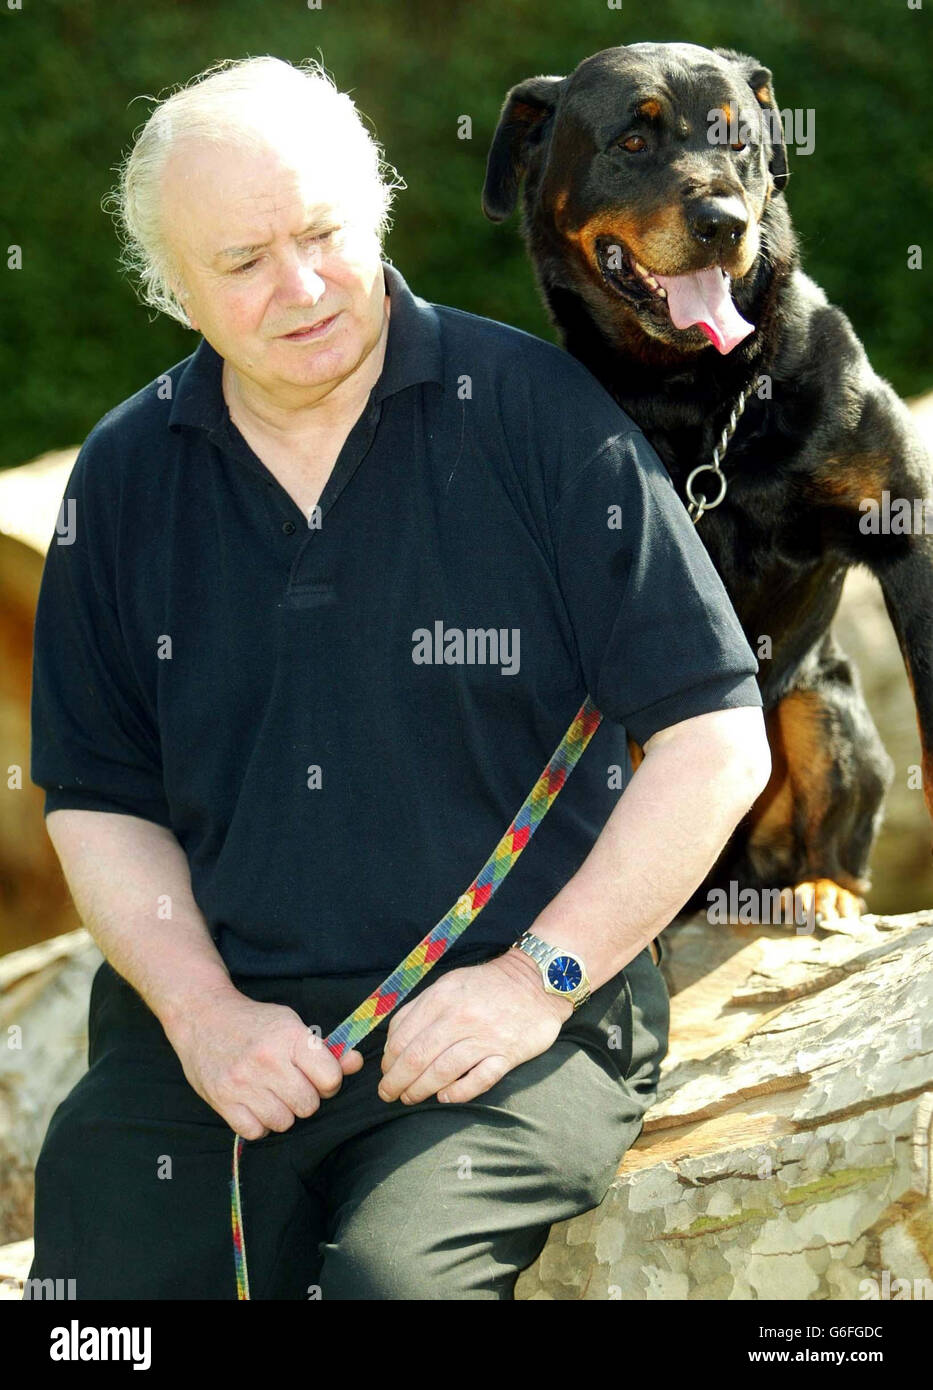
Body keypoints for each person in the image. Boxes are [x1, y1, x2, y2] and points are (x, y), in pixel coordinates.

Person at [26, 55, 771, 1301]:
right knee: (106, 1308)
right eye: (242, 261)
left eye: (322, 233)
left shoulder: (543, 421)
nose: (302, 287)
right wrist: (204, 1014)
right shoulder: (122, 477)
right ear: (174, 290)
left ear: (376, 210)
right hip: (223, 1037)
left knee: (389, 1282)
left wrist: (539, 979)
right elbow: (102, 798)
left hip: (516, 1026)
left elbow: (715, 737)